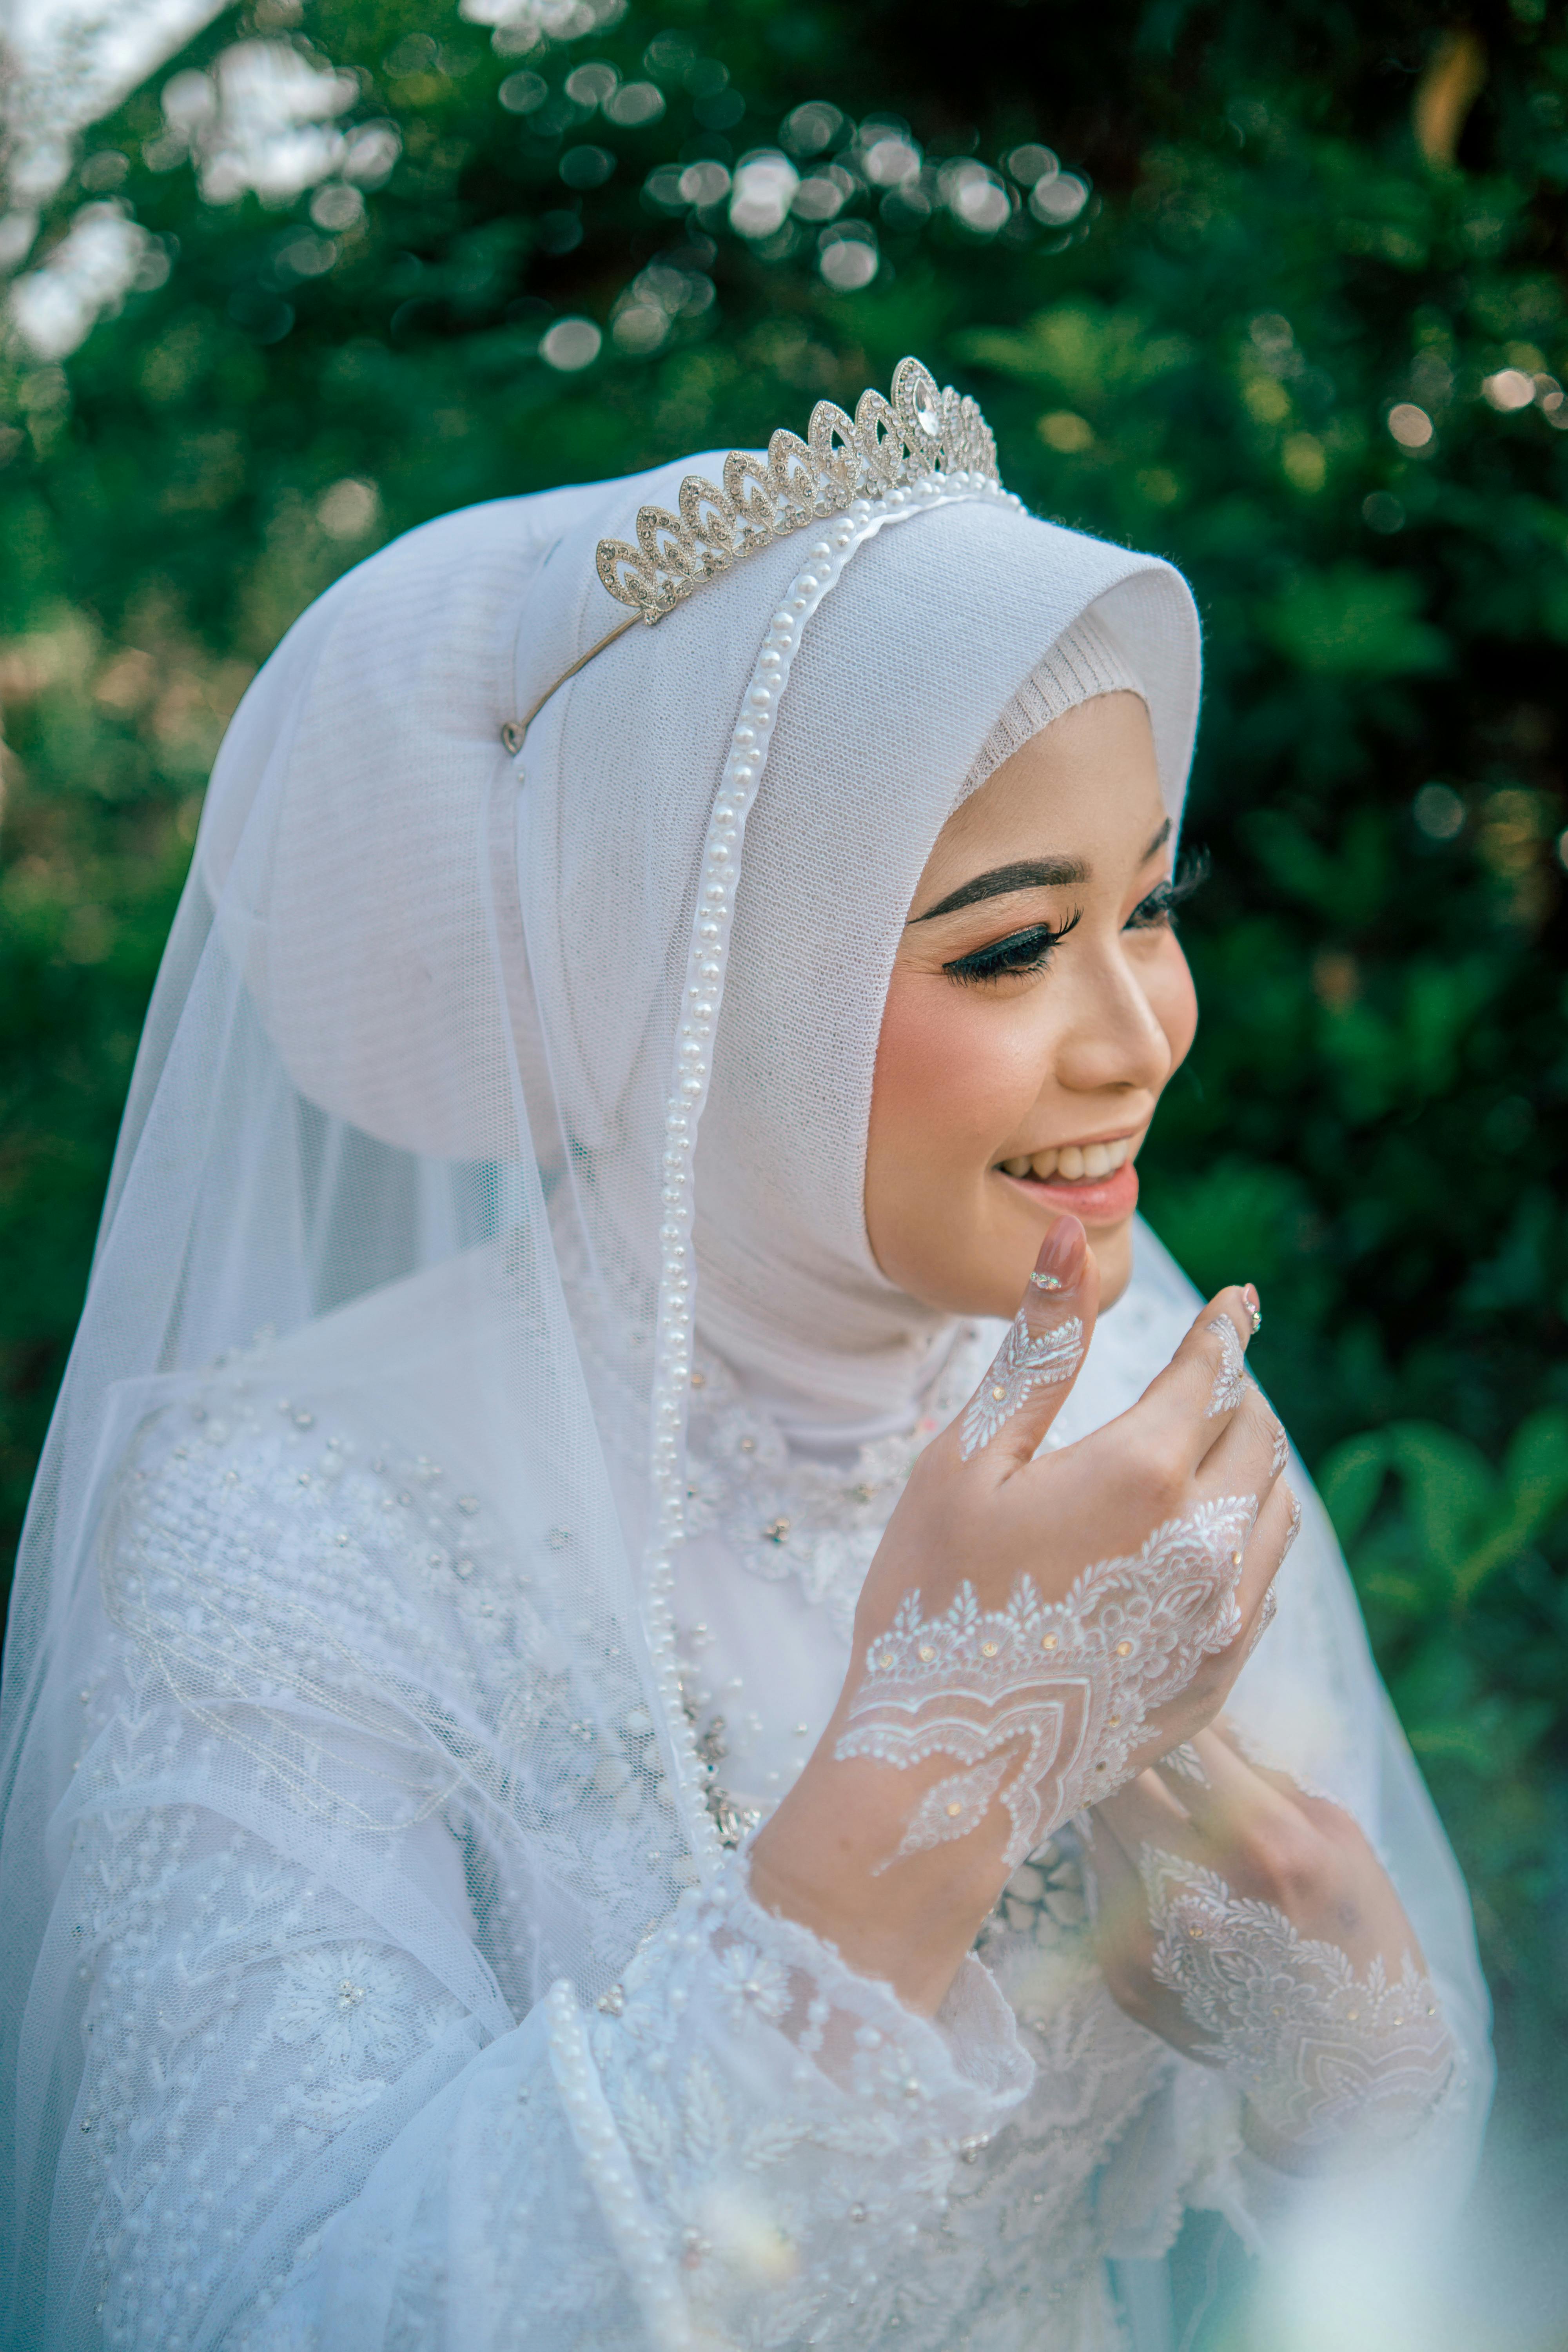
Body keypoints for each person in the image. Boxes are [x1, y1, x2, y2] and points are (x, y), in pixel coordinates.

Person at [0, 362, 1489, 2351]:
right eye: (1006, 945)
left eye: (1151, 905)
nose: (1143, 1032)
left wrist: (1325, 2044)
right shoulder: (282, 1525)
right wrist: (921, 1797)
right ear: (702, 978)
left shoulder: (1133, 1376)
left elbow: (1363, 2200)